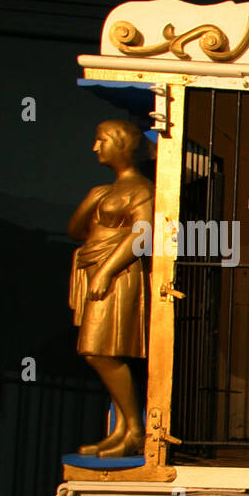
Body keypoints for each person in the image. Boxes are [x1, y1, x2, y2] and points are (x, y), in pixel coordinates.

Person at [67, 120, 154, 458]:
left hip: (118, 274)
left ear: (122, 145)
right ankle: (122, 430)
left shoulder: (141, 190)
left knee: (100, 351)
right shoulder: (105, 190)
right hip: (97, 271)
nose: (95, 147)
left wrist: (106, 270)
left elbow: (142, 234)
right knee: (103, 351)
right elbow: (75, 230)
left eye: (101, 140)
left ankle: (134, 429)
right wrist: (92, 199)